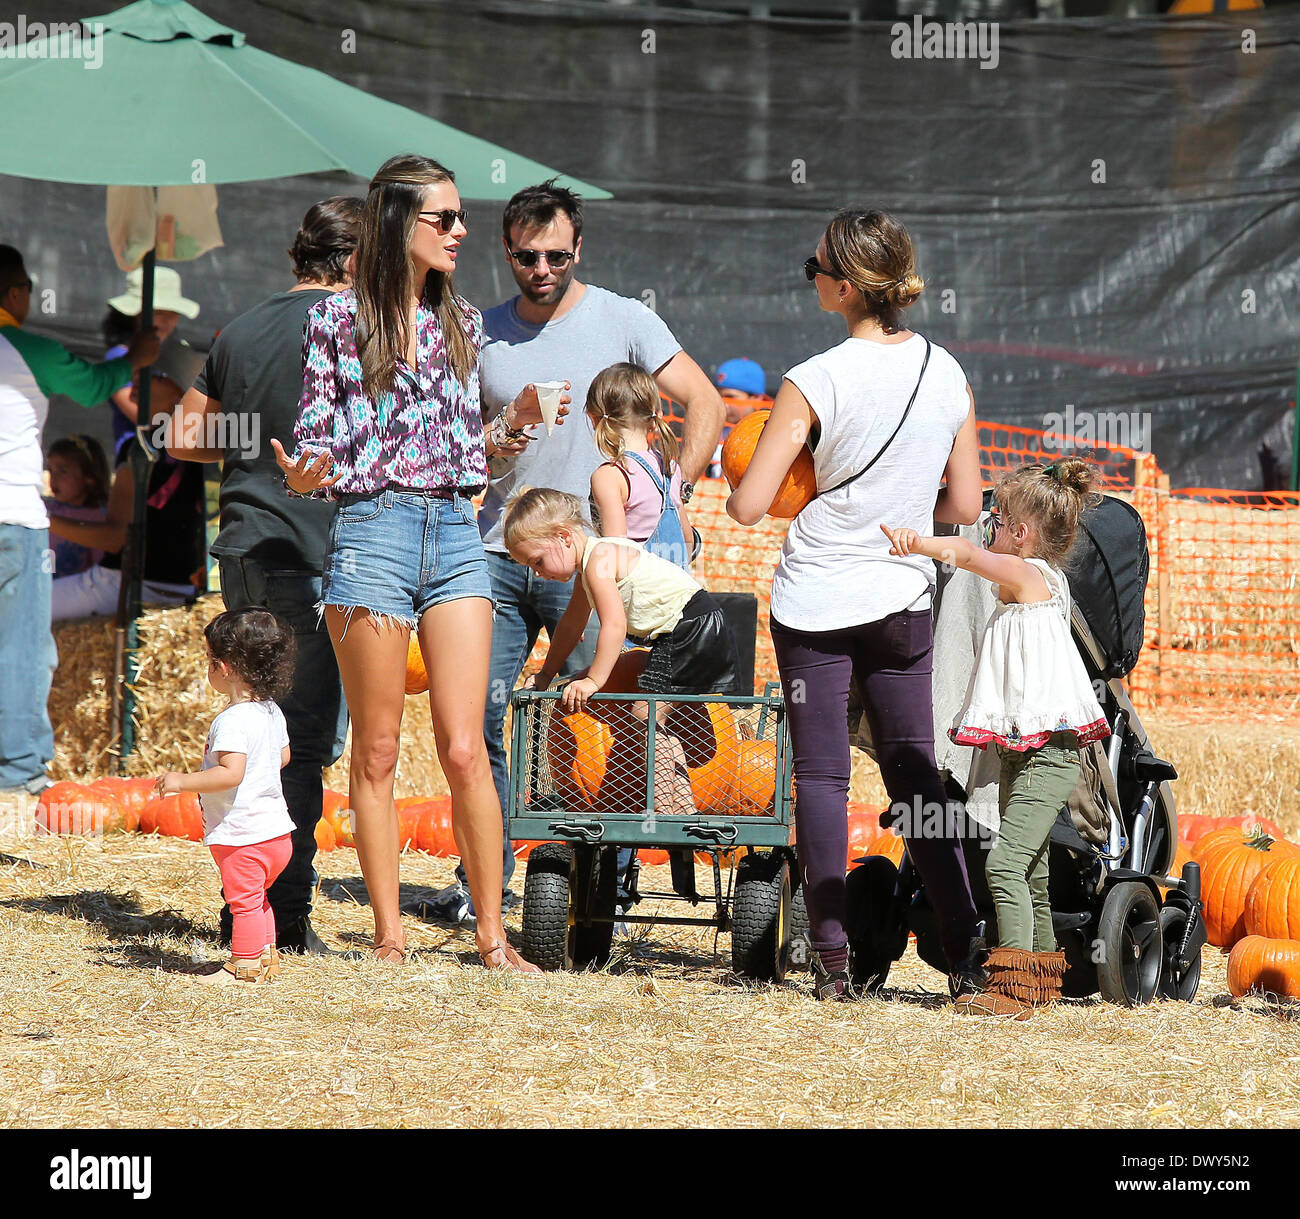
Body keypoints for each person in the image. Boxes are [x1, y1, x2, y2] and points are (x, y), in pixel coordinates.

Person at [275, 153, 550, 972]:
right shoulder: (335, 320)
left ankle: (493, 937)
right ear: (399, 222)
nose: (464, 231)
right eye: (447, 218)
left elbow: (472, 451)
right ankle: (390, 938)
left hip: (458, 532)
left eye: (462, 217)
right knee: (378, 749)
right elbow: (319, 433)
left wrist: (516, 426)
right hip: (371, 530)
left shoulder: (461, 318)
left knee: (467, 746)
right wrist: (304, 471)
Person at [426, 180, 726, 926]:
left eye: (557, 254)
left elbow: (708, 402)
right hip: (494, 554)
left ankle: (603, 891)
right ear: (507, 251)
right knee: (483, 720)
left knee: (605, 719)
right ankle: (484, 885)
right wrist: (500, 434)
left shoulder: (625, 318)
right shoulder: (478, 329)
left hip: (592, 562)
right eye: (527, 255)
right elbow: (452, 441)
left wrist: (674, 490)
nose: (542, 267)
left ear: (579, 248)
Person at [726, 208, 985, 1001]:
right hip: (901, 593)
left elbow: (747, 504)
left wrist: (798, 470)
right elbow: (966, 501)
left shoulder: (813, 378)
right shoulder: (947, 372)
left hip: (816, 600)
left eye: (814, 271)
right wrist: (899, 504)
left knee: (822, 779)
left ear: (844, 288)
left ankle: (832, 963)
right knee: (917, 776)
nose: (811, 282)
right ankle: (969, 951)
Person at [170, 196, 362, 957]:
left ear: (298, 257)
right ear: (354, 261)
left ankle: (241, 905)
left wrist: (254, 445)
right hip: (315, 556)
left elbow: (182, 435)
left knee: (256, 730)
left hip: (245, 552)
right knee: (300, 744)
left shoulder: (241, 329)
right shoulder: (356, 329)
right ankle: (282, 917)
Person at [882, 459, 1108, 1017]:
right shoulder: (1026, 584)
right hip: (1019, 751)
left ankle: (1008, 990)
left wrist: (919, 542)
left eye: (999, 521)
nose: (991, 529)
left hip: (1048, 758)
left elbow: (968, 557)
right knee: (1028, 870)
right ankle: (1038, 985)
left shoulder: (1031, 577)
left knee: (1003, 867)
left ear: (1022, 536)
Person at [0, 244, 158, 801]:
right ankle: (17, 781)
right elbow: (93, 387)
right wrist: (135, 356)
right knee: (22, 648)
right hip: (12, 520)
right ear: (17, 293)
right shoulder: (26, 348)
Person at [505, 487, 742, 819]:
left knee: (646, 714)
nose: (537, 573)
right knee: (654, 717)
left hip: (691, 629)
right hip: (684, 631)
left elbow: (613, 624)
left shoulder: (598, 561)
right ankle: (676, 804)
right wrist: (546, 674)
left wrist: (594, 681)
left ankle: (671, 812)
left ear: (563, 537)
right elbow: (572, 627)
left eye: (537, 561)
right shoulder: (590, 566)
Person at [156, 608, 296, 987]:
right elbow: (282, 756)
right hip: (277, 833)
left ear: (225, 666)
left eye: (209, 660)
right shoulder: (270, 711)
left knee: (244, 902)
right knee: (258, 897)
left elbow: (230, 773)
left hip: (243, 835)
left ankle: (244, 966)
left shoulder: (232, 720)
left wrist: (182, 781)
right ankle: (266, 956)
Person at [47, 362, 205, 618]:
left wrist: (42, 519)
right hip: (180, 588)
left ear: (180, 392)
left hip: (125, 585)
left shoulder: (139, 447)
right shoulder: (208, 447)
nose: (136, 380)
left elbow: (115, 538)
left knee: (15, 606)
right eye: (137, 373)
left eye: (153, 374)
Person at [588, 362, 691, 570]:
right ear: (655, 419)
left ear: (595, 418)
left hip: (641, 594)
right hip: (679, 590)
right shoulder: (670, 467)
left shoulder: (610, 475)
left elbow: (616, 551)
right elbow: (686, 539)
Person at [103, 266, 200, 462]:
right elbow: (141, 415)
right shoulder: (119, 359)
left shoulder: (178, 353)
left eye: (172, 312)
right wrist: (180, 397)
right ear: (134, 313)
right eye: (157, 311)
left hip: (181, 461)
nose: (166, 319)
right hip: (138, 461)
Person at [45, 434, 111, 588]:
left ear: (90, 477)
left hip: (74, 591)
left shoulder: (98, 518)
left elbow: (99, 568)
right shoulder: (46, 509)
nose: (53, 478)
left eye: (63, 471)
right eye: (50, 470)